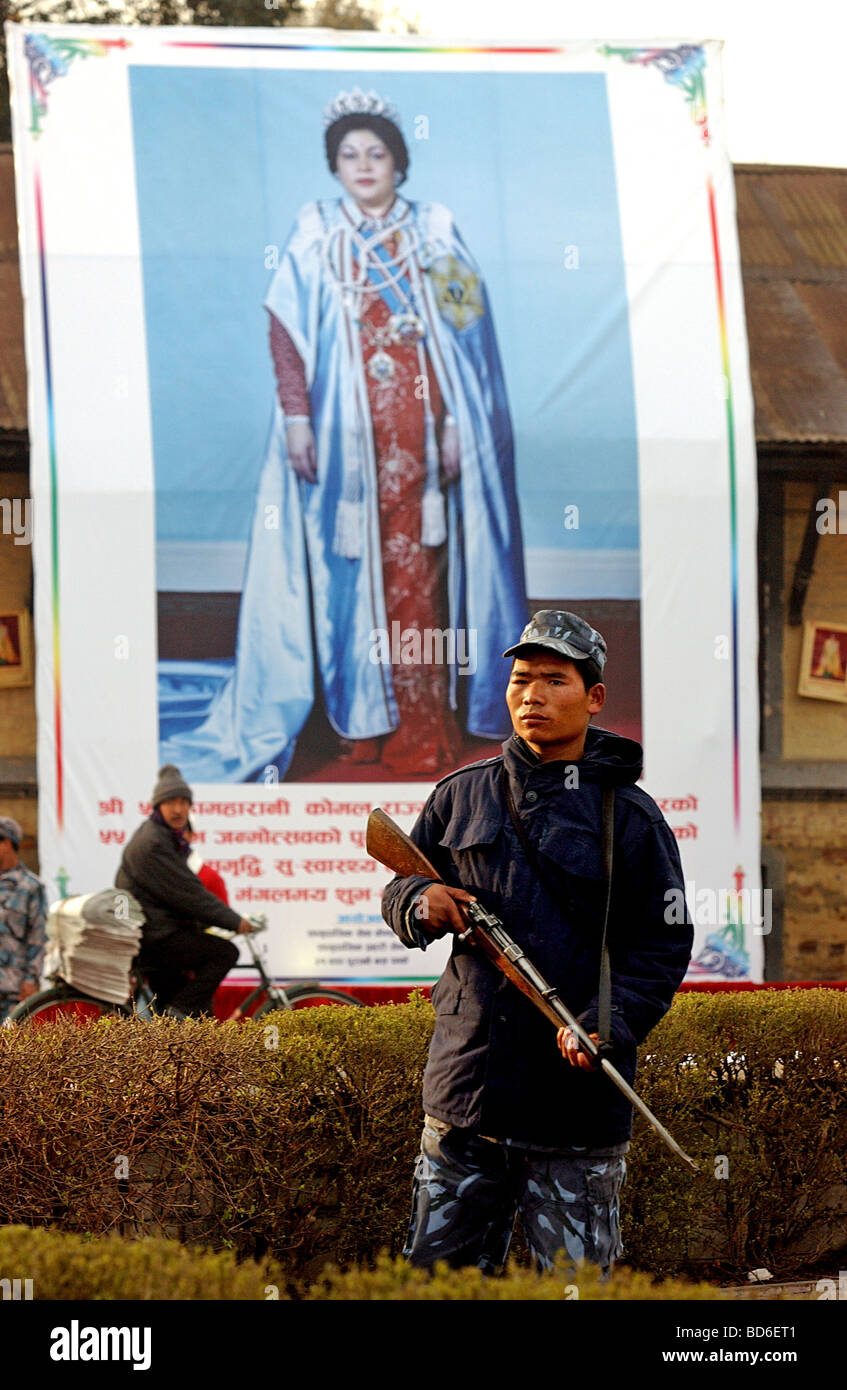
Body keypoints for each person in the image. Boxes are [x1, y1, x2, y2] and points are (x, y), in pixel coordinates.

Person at [164, 86, 526, 782]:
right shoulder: (314, 231)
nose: (363, 165)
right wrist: (296, 416)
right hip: (339, 442)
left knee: (420, 580)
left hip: (417, 436)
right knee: (342, 582)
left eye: (377, 152)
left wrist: (456, 424)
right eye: (349, 154)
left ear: (399, 162)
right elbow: (284, 330)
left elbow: (466, 331)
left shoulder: (436, 229)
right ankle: (360, 725)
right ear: (335, 165)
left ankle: (421, 728)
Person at [381, 609, 694, 1275]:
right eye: (521, 679)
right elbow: (400, 883)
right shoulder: (458, 796)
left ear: (593, 697)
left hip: (573, 1111)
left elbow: (661, 944)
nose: (532, 695)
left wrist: (607, 1022)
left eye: (554, 680)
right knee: (436, 1289)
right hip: (466, 1098)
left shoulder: (629, 819)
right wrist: (417, 902)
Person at [115, 764, 254, 1018]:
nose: (178, 809)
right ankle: (178, 1013)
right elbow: (189, 894)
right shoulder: (155, 843)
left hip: (152, 933)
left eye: (183, 802)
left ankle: (175, 1025)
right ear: (158, 806)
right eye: (171, 802)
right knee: (225, 953)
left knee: (197, 1015)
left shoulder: (162, 837)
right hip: (156, 936)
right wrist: (235, 921)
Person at [0, 816, 47, 1023]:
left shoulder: (30, 886)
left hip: (13, 989)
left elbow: (39, 935)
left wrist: (31, 979)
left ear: (8, 843)